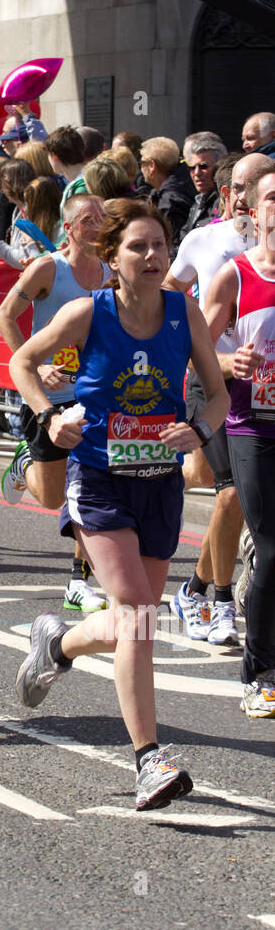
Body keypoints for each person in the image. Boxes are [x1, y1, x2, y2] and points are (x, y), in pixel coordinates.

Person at [10, 199, 228, 810]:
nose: (154, 256)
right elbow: (22, 361)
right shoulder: (87, 313)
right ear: (112, 257)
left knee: (135, 618)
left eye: (160, 244)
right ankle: (148, 759)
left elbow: (215, 395)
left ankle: (57, 645)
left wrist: (200, 432)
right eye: (139, 247)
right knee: (136, 612)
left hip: (160, 481)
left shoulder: (185, 313)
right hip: (100, 479)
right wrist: (50, 418)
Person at [163, 153, 263, 645]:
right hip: (212, 377)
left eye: (259, 189)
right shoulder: (205, 241)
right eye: (241, 187)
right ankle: (221, 602)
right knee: (229, 493)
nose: (247, 198)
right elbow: (169, 290)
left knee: (231, 496)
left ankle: (195, 587)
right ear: (227, 193)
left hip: (261, 385)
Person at [0, 192, 110, 610]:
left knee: (89, 487)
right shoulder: (48, 268)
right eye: (88, 219)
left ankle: (78, 580)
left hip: (93, 398)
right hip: (47, 397)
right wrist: (35, 366)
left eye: (103, 216)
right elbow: (4, 316)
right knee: (51, 497)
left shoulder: (112, 272)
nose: (98, 224)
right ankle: (24, 461)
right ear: (69, 229)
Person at [205, 163, 275, 718]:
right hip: (255, 427)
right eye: (273, 198)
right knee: (274, 551)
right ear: (254, 211)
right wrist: (231, 360)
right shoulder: (237, 275)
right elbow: (198, 354)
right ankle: (259, 670)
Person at [139, 136, 194, 253]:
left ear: (152, 166)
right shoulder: (184, 183)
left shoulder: (170, 201)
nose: (140, 168)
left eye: (142, 162)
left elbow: (169, 242)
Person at [175, 132, 227, 243]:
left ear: (219, 167)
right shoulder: (198, 201)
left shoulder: (224, 201)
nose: (197, 173)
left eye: (203, 166)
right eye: (192, 168)